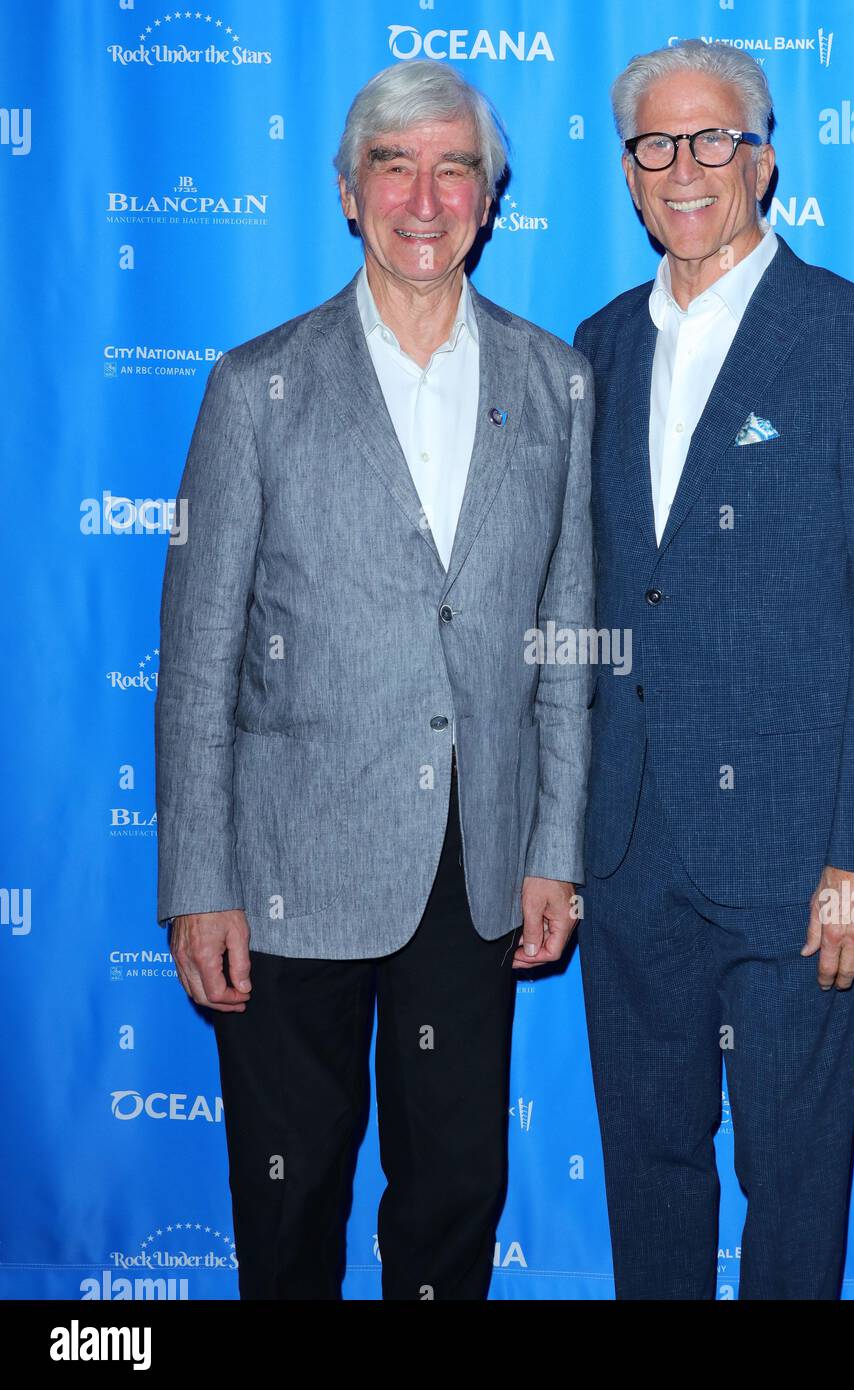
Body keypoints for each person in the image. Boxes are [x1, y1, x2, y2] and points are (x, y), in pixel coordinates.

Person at [155, 59, 593, 1300]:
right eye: (394, 166)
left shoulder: (555, 384)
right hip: (287, 869)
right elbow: (196, 659)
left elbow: (566, 636)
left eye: (455, 166)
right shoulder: (256, 388)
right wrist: (198, 882)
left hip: (476, 866)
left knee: (457, 1190)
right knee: (289, 1201)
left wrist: (553, 847)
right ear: (349, 193)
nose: (424, 196)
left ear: (490, 198)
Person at [574, 38, 854, 1299]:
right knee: (648, 1172)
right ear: (630, 175)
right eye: (656, 147)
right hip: (625, 852)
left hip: (801, 861)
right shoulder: (597, 349)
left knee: (795, 1187)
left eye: (714, 139)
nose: (686, 171)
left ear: (766, 159)